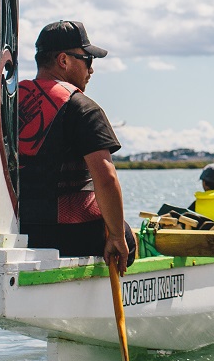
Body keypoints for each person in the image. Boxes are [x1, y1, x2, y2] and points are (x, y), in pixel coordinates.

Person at [15, 20, 132, 268]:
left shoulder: (11, 107)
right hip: (74, 236)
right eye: (87, 60)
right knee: (128, 237)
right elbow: (106, 178)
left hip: (20, 233)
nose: (91, 70)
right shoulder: (82, 107)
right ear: (63, 60)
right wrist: (117, 237)